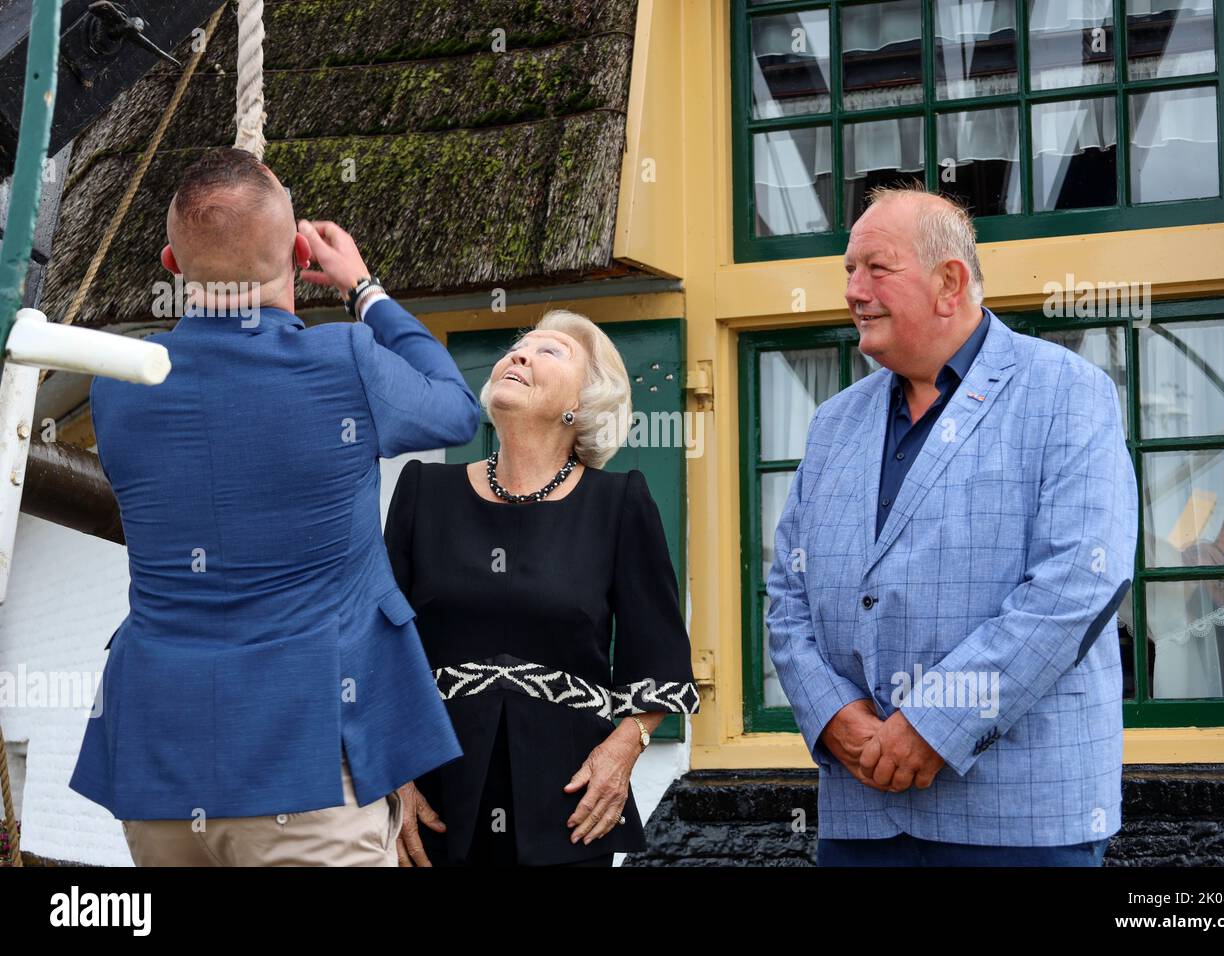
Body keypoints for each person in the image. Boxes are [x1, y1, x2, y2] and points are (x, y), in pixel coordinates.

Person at [69, 147, 481, 866]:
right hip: (306, 772)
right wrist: (364, 289)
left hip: (161, 771)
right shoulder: (345, 361)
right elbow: (456, 409)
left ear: (171, 264)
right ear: (299, 252)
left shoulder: (118, 387)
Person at [766, 184, 1138, 866]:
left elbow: (1075, 586)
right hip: (861, 816)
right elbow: (788, 597)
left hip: (1019, 823)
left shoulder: (1069, 392)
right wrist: (832, 716)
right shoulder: (832, 424)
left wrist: (934, 725)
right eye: (848, 270)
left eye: (875, 269)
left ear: (949, 283)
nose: (853, 290)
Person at [383, 309, 700, 867]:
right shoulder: (423, 489)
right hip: (433, 805)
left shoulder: (618, 503)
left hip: (570, 810)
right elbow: (377, 645)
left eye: (550, 351)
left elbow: (661, 662)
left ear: (583, 403)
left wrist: (624, 750)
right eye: (518, 347)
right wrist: (394, 775)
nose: (520, 354)